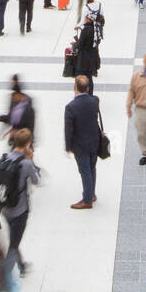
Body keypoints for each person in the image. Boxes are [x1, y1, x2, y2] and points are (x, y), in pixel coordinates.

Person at [0, 128, 40, 281]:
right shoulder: (25, 163)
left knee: (13, 238)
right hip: (20, 209)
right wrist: (30, 160)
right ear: (28, 143)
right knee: (14, 244)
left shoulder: (5, 157)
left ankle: (22, 266)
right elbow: (36, 181)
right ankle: (5, 276)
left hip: (4, 208)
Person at [64, 77, 102, 209]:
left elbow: (68, 129)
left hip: (80, 145)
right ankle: (91, 194)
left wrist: (68, 147)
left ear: (75, 87)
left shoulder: (70, 107)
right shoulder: (95, 101)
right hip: (94, 141)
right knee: (92, 168)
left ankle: (87, 200)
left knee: (84, 171)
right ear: (87, 88)